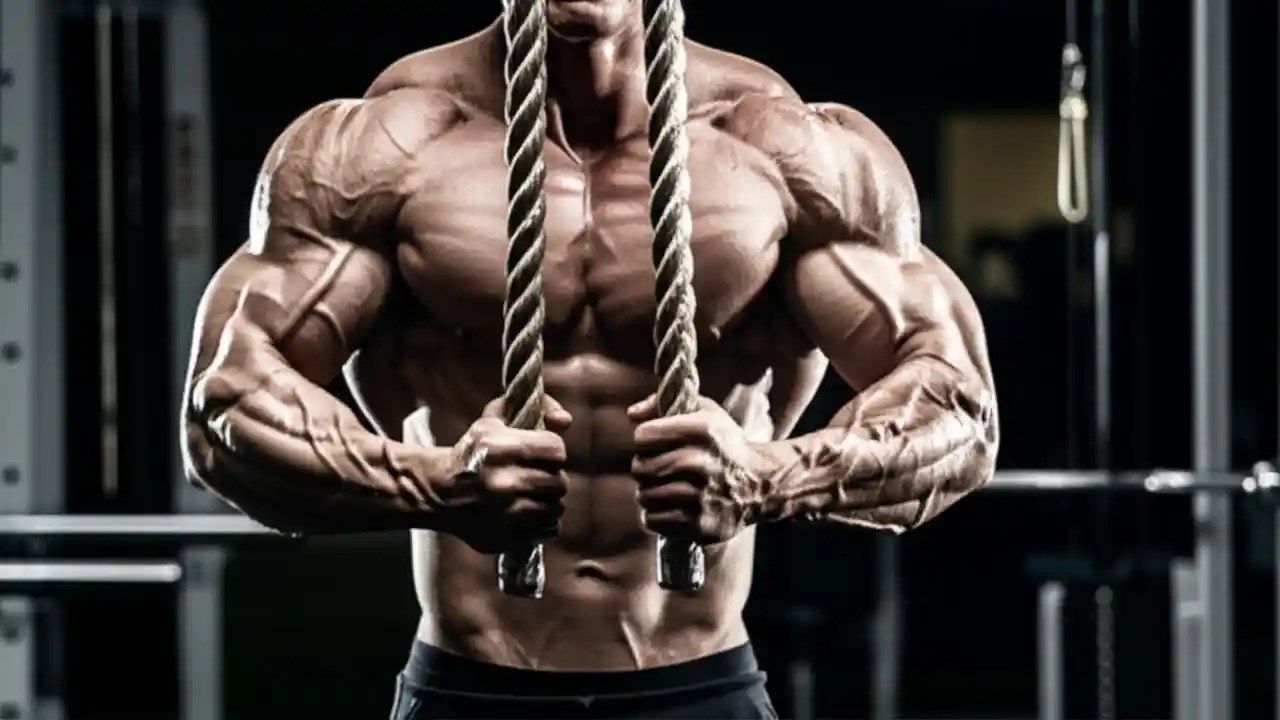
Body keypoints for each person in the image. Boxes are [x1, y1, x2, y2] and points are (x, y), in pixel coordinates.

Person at [180, 1, 1000, 717]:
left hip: (699, 682)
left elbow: (962, 414)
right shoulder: (384, 147)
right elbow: (222, 411)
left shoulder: (784, 149)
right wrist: (432, 485)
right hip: (473, 682)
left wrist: (765, 478)